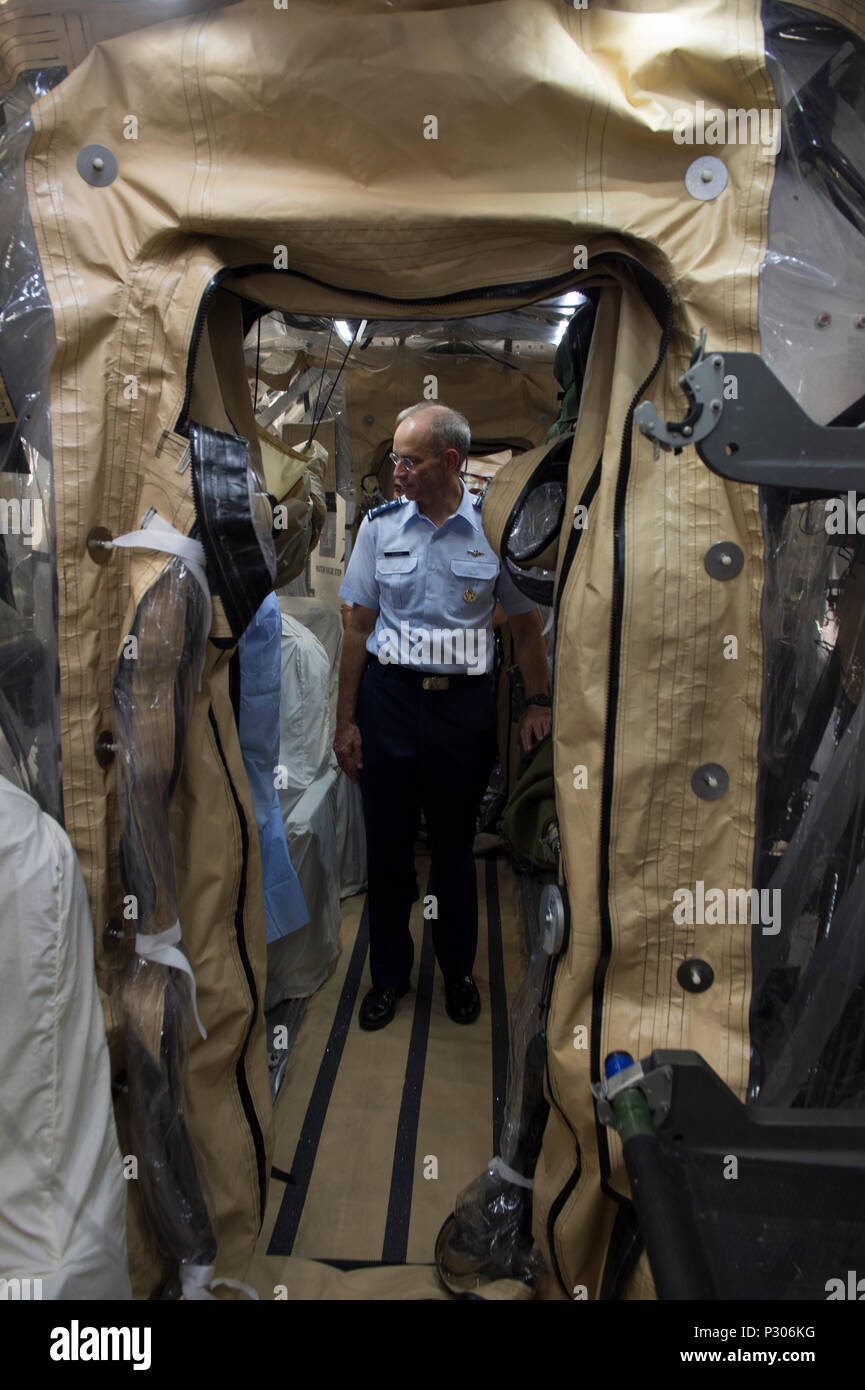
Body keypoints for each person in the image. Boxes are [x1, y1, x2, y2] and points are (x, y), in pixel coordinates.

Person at [334, 402, 552, 1030]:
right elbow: (357, 631)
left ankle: (457, 971)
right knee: (389, 850)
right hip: (390, 704)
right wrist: (346, 722)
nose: (396, 471)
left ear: (449, 462)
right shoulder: (378, 528)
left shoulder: (494, 527)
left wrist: (537, 702)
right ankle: (390, 977)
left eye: (410, 460)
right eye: (395, 458)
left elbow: (528, 628)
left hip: (463, 711)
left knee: (455, 851)